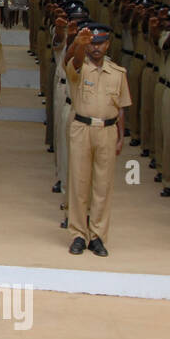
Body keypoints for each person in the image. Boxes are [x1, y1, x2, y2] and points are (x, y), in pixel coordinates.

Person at [64, 23, 131, 256]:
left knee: (103, 186)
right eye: (92, 43)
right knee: (79, 183)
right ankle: (78, 234)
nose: (96, 47)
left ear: (108, 44)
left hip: (107, 131)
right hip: (82, 128)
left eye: (100, 43)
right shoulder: (79, 68)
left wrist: (121, 137)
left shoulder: (118, 73)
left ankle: (98, 235)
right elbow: (73, 60)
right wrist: (78, 44)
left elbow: (121, 107)